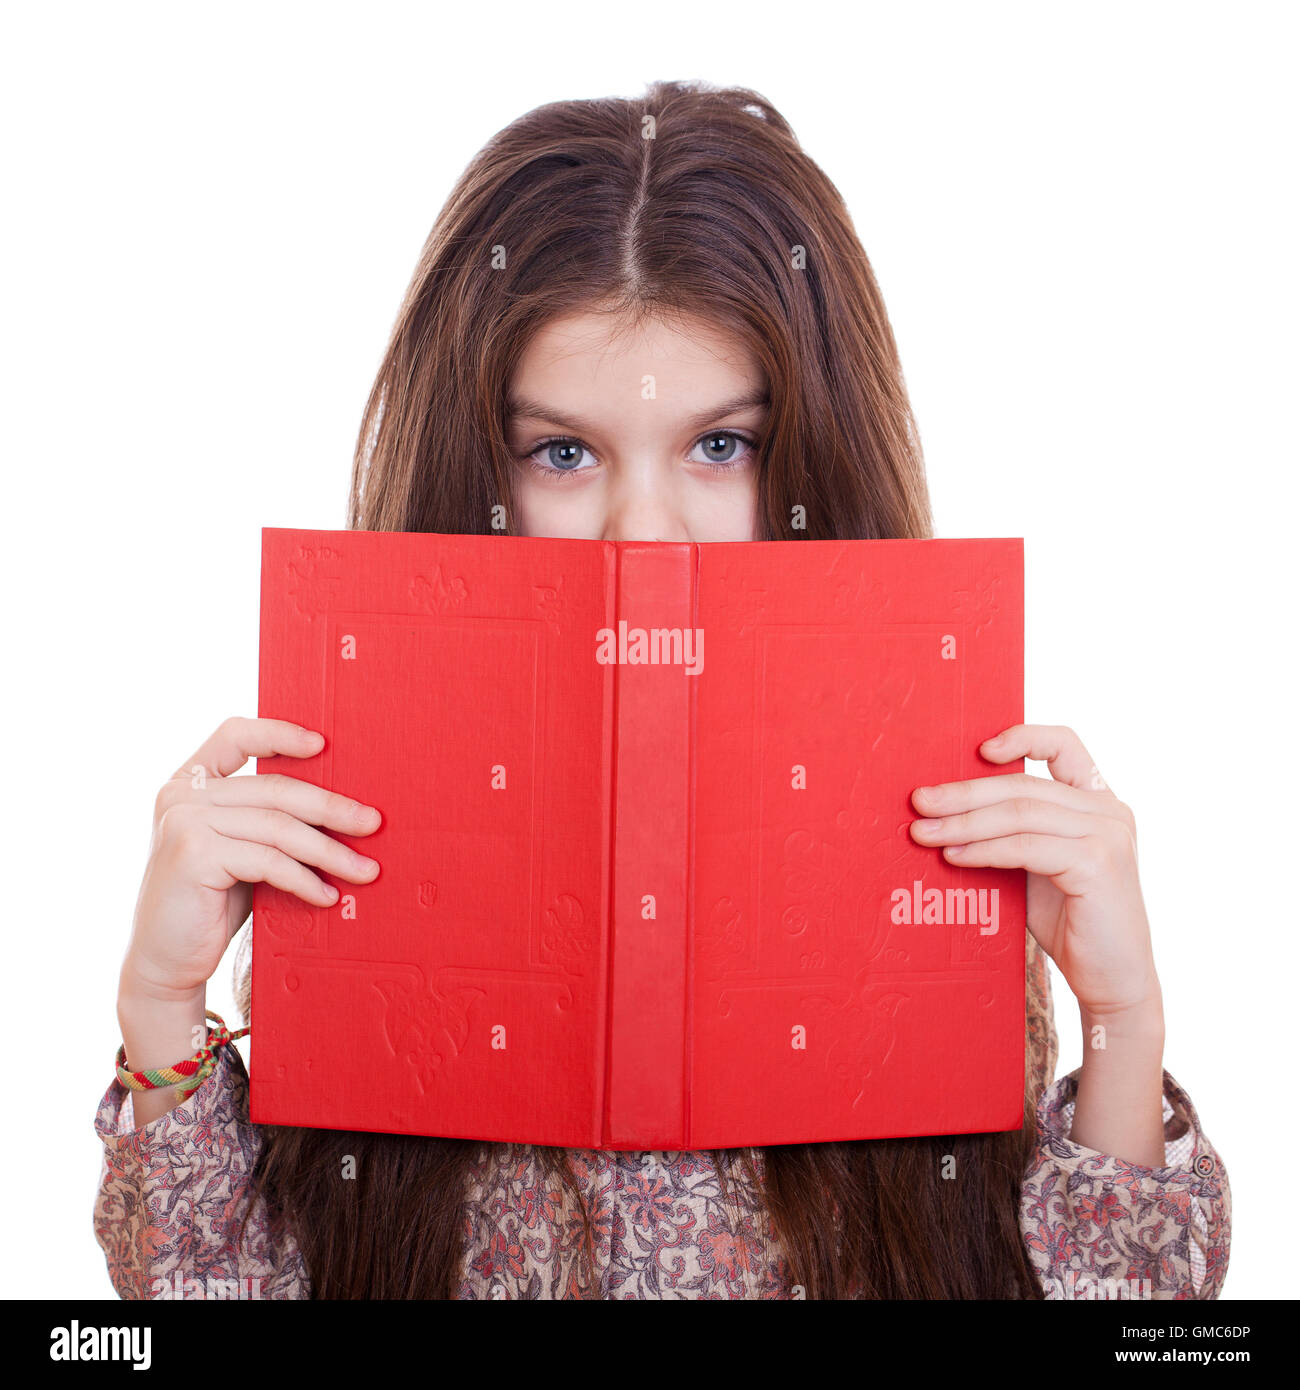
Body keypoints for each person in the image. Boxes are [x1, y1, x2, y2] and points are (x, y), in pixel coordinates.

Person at [95, 78, 1230, 1300]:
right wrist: (165, 1004)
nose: (645, 539)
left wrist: (1119, 1013)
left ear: (814, 463)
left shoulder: (945, 842)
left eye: (722, 445)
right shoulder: (356, 836)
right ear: (474, 470)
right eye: (563, 453)